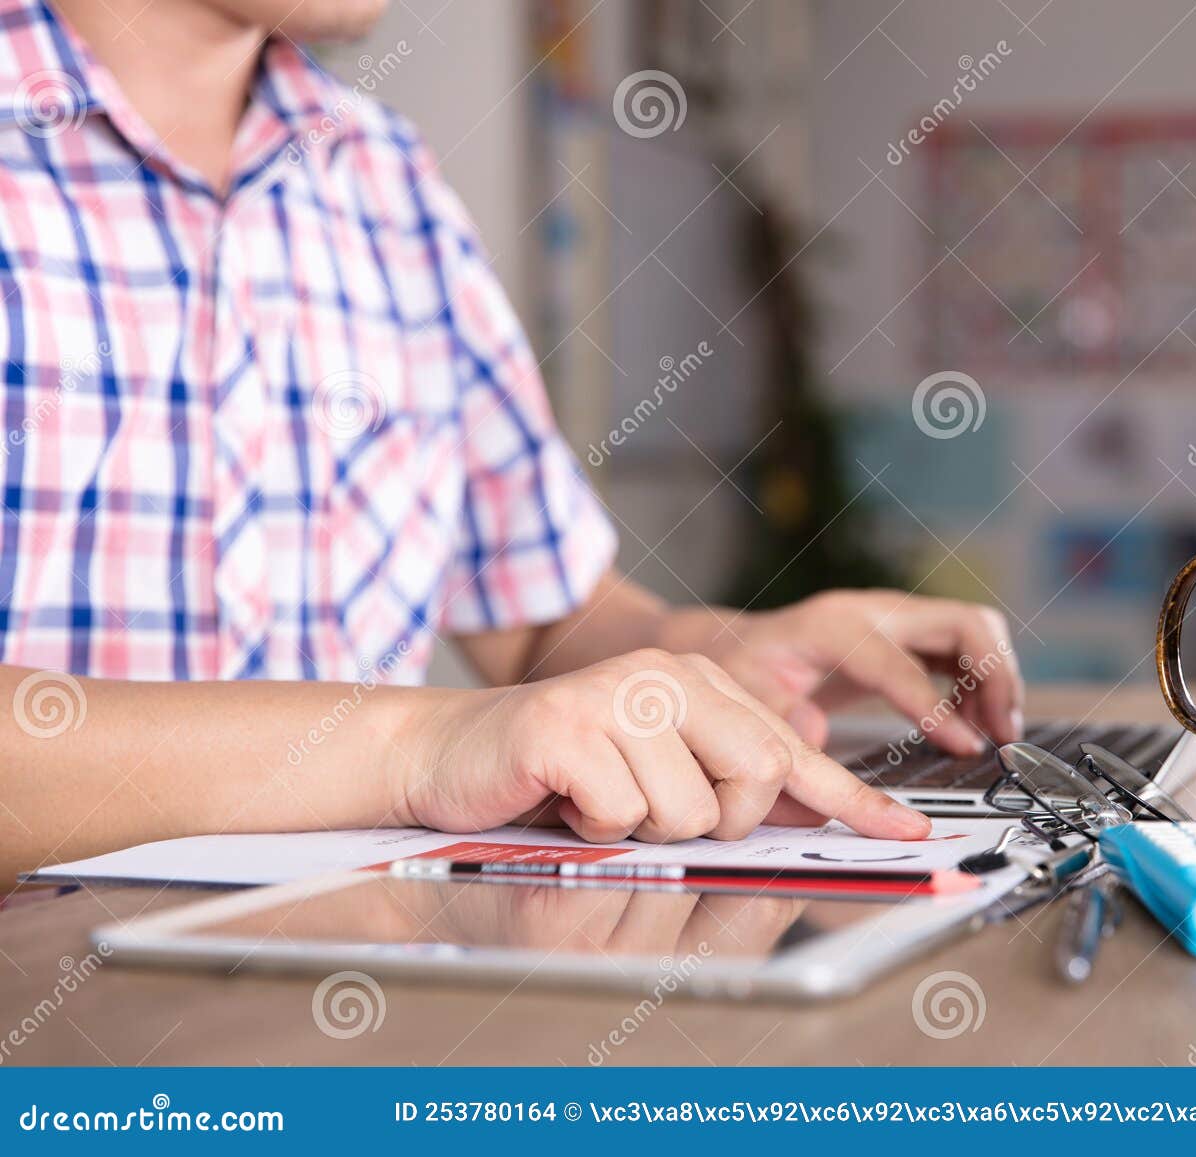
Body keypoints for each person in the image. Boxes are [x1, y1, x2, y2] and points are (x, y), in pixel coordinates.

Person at [0, 0, 1022, 883]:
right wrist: (423, 741)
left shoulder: (383, 178)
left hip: (334, 988)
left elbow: (539, 625)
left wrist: (707, 655)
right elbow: (450, 731)